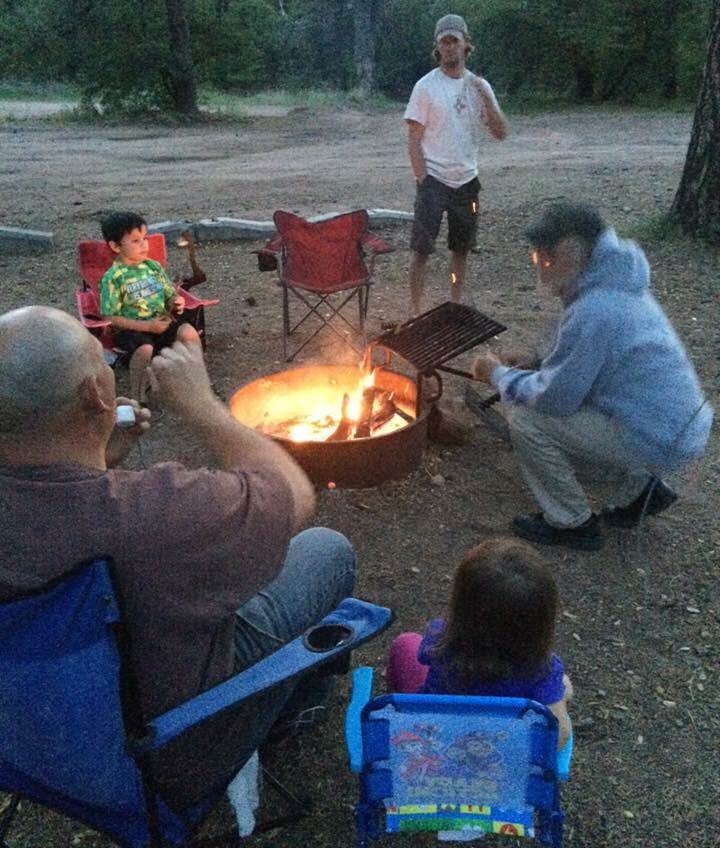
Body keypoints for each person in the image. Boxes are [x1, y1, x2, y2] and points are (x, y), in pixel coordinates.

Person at [0, 306, 356, 808]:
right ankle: (291, 702)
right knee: (326, 550)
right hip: (162, 756)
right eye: (102, 361)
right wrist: (202, 406)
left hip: (31, 747)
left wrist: (98, 457)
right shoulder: (154, 513)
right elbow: (293, 492)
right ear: (97, 395)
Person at [472, 200, 713, 551]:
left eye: (543, 258)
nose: (540, 269)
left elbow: (555, 398)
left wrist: (498, 375)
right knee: (568, 417)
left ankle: (571, 522)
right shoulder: (616, 285)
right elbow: (593, 365)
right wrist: (537, 360)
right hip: (675, 424)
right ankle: (638, 492)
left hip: (661, 436)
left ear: (570, 251)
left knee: (527, 419)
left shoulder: (597, 307)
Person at [386, 537, 573, 748]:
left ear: (461, 605)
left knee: (406, 642)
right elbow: (559, 735)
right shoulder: (543, 671)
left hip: (435, 744)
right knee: (562, 688)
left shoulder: (439, 642)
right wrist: (560, 695)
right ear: (543, 619)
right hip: (496, 760)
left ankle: (399, 707)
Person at [405, 13, 508, 317]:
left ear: (466, 46)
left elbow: (501, 133)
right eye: (444, 42)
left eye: (455, 41)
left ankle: (455, 302)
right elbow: (413, 139)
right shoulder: (425, 87)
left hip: (467, 179)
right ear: (437, 48)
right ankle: (415, 310)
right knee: (421, 249)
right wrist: (422, 178)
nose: (449, 47)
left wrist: (487, 99)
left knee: (460, 249)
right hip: (434, 179)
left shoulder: (479, 86)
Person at [99, 211, 201, 402]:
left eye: (145, 238)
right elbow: (110, 317)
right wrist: (148, 327)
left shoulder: (153, 267)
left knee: (189, 333)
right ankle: (136, 396)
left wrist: (175, 301)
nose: (144, 244)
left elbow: (169, 293)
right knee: (145, 349)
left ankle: (197, 381)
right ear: (115, 246)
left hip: (161, 321)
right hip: (131, 328)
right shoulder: (113, 277)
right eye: (135, 241)